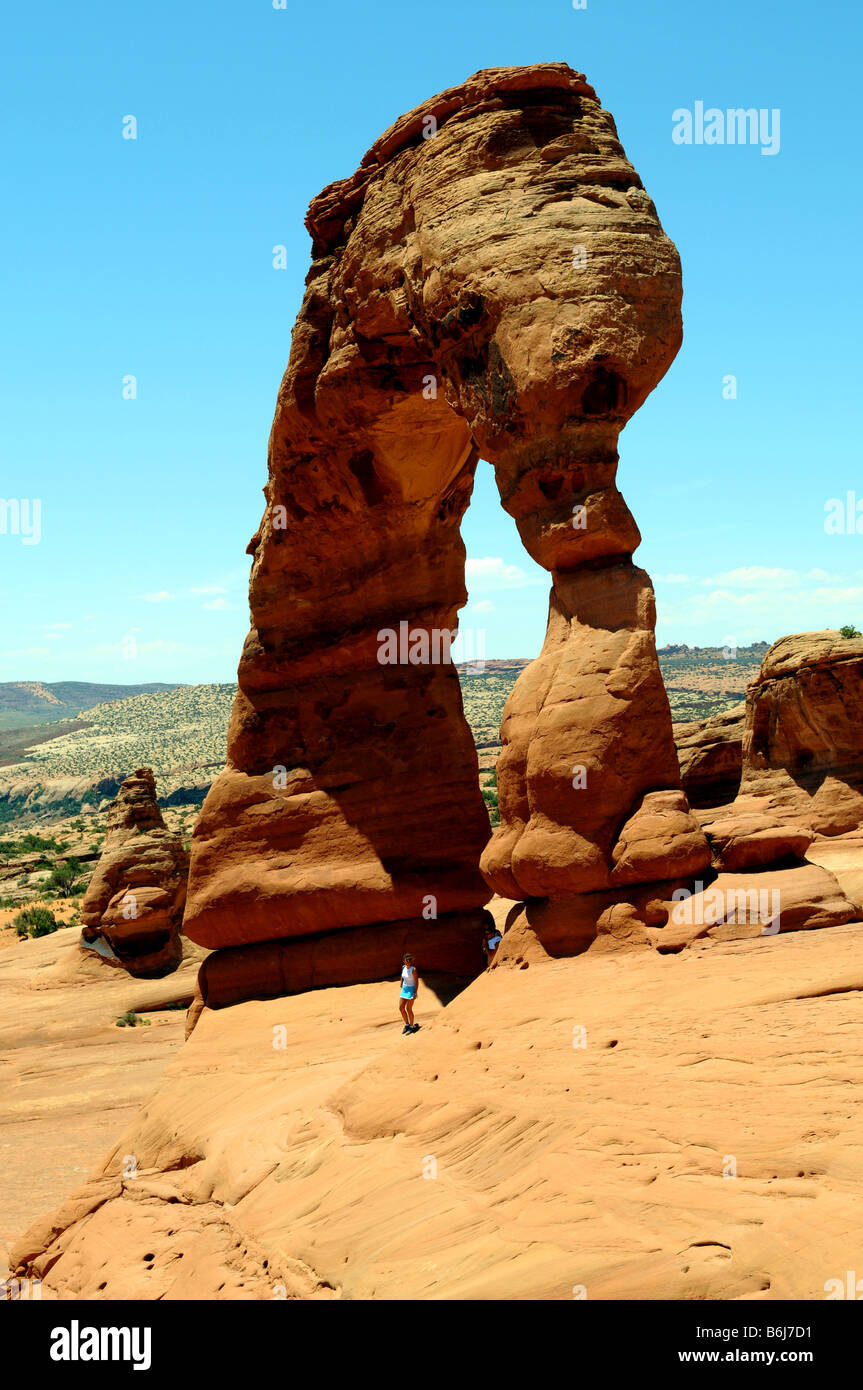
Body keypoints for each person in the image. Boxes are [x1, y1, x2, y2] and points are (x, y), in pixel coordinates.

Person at [399, 953, 419, 1034]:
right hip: (404, 989)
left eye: (409, 960)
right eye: (406, 960)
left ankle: (411, 1027)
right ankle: (407, 1025)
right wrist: (401, 982)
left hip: (411, 990)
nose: (407, 962)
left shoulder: (413, 969)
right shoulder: (403, 967)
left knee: (408, 1009)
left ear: (411, 961)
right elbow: (402, 976)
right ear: (404, 960)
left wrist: (415, 993)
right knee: (401, 1008)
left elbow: (417, 981)